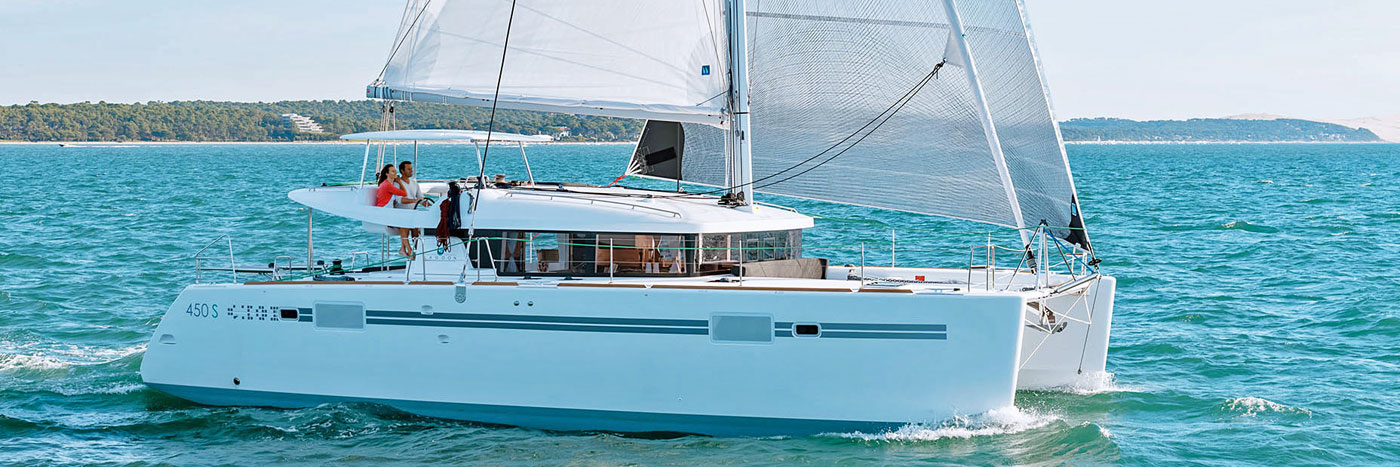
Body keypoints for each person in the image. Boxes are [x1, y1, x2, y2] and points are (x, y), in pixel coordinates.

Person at [374, 164, 414, 257]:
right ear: (387, 174)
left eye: (395, 171)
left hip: (387, 213)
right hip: (384, 214)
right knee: (404, 224)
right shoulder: (387, 185)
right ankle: (408, 249)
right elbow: (404, 193)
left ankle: (403, 249)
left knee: (405, 224)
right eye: (392, 171)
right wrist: (399, 182)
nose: (395, 173)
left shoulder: (386, 184)